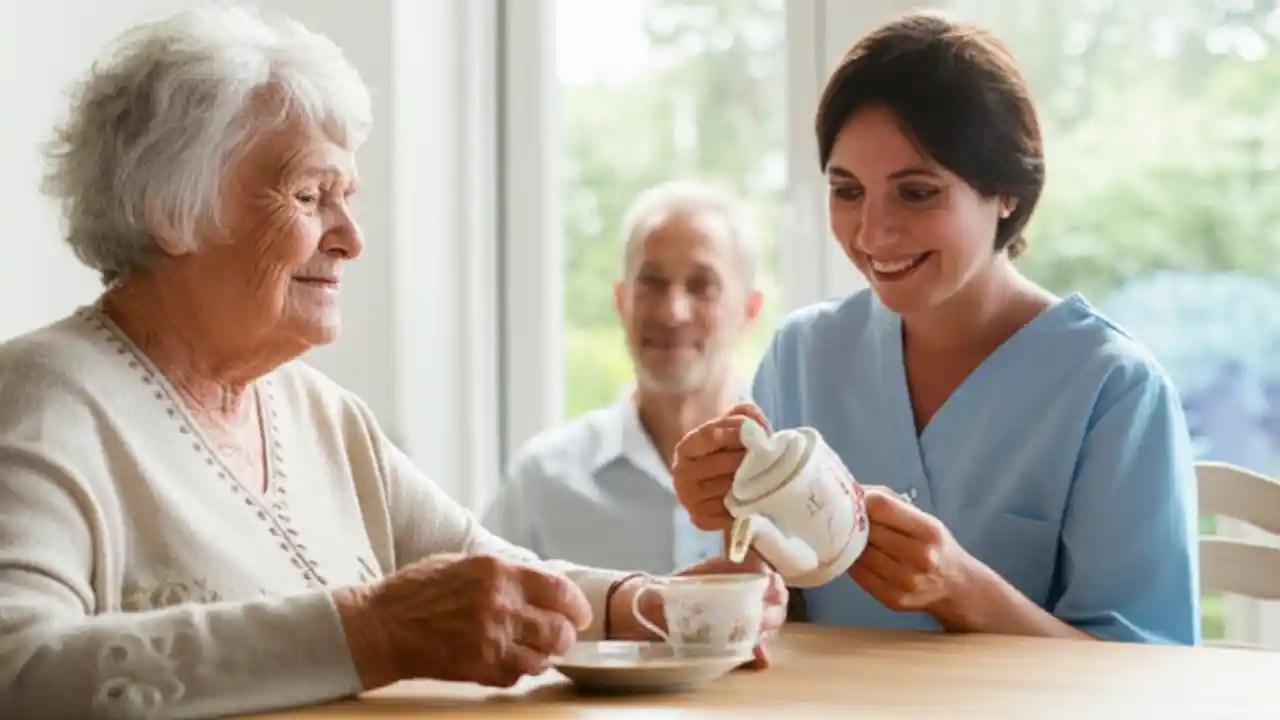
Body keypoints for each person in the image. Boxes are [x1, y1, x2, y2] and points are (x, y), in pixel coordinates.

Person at [0, 8, 786, 718]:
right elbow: (20, 668)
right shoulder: (43, 400)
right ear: (170, 210)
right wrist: (371, 633)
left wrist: (646, 607)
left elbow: (491, 571)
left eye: (350, 197)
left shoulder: (320, 414)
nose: (351, 237)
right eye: (311, 197)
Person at [671, 11, 1199, 644]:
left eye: (916, 192)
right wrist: (738, 537)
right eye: (847, 190)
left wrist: (965, 592)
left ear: (1006, 191)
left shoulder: (1113, 391)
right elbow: (784, 603)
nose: (872, 233)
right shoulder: (801, 356)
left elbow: (1150, 679)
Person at [484, 181, 763, 574]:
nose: (673, 312)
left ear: (749, 310)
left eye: (702, 286)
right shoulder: (542, 484)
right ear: (621, 300)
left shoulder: (794, 477)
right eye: (652, 283)